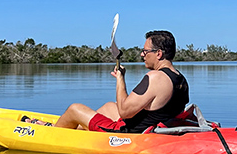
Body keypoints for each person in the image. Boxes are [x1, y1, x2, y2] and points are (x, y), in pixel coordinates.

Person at [53, 30, 189, 132]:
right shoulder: (180, 78)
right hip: (152, 126)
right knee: (110, 107)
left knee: (74, 109)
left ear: (158, 54)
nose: (142, 54)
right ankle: (78, 130)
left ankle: (53, 133)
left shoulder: (154, 77)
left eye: (145, 51)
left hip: (127, 134)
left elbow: (124, 112)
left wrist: (120, 79)